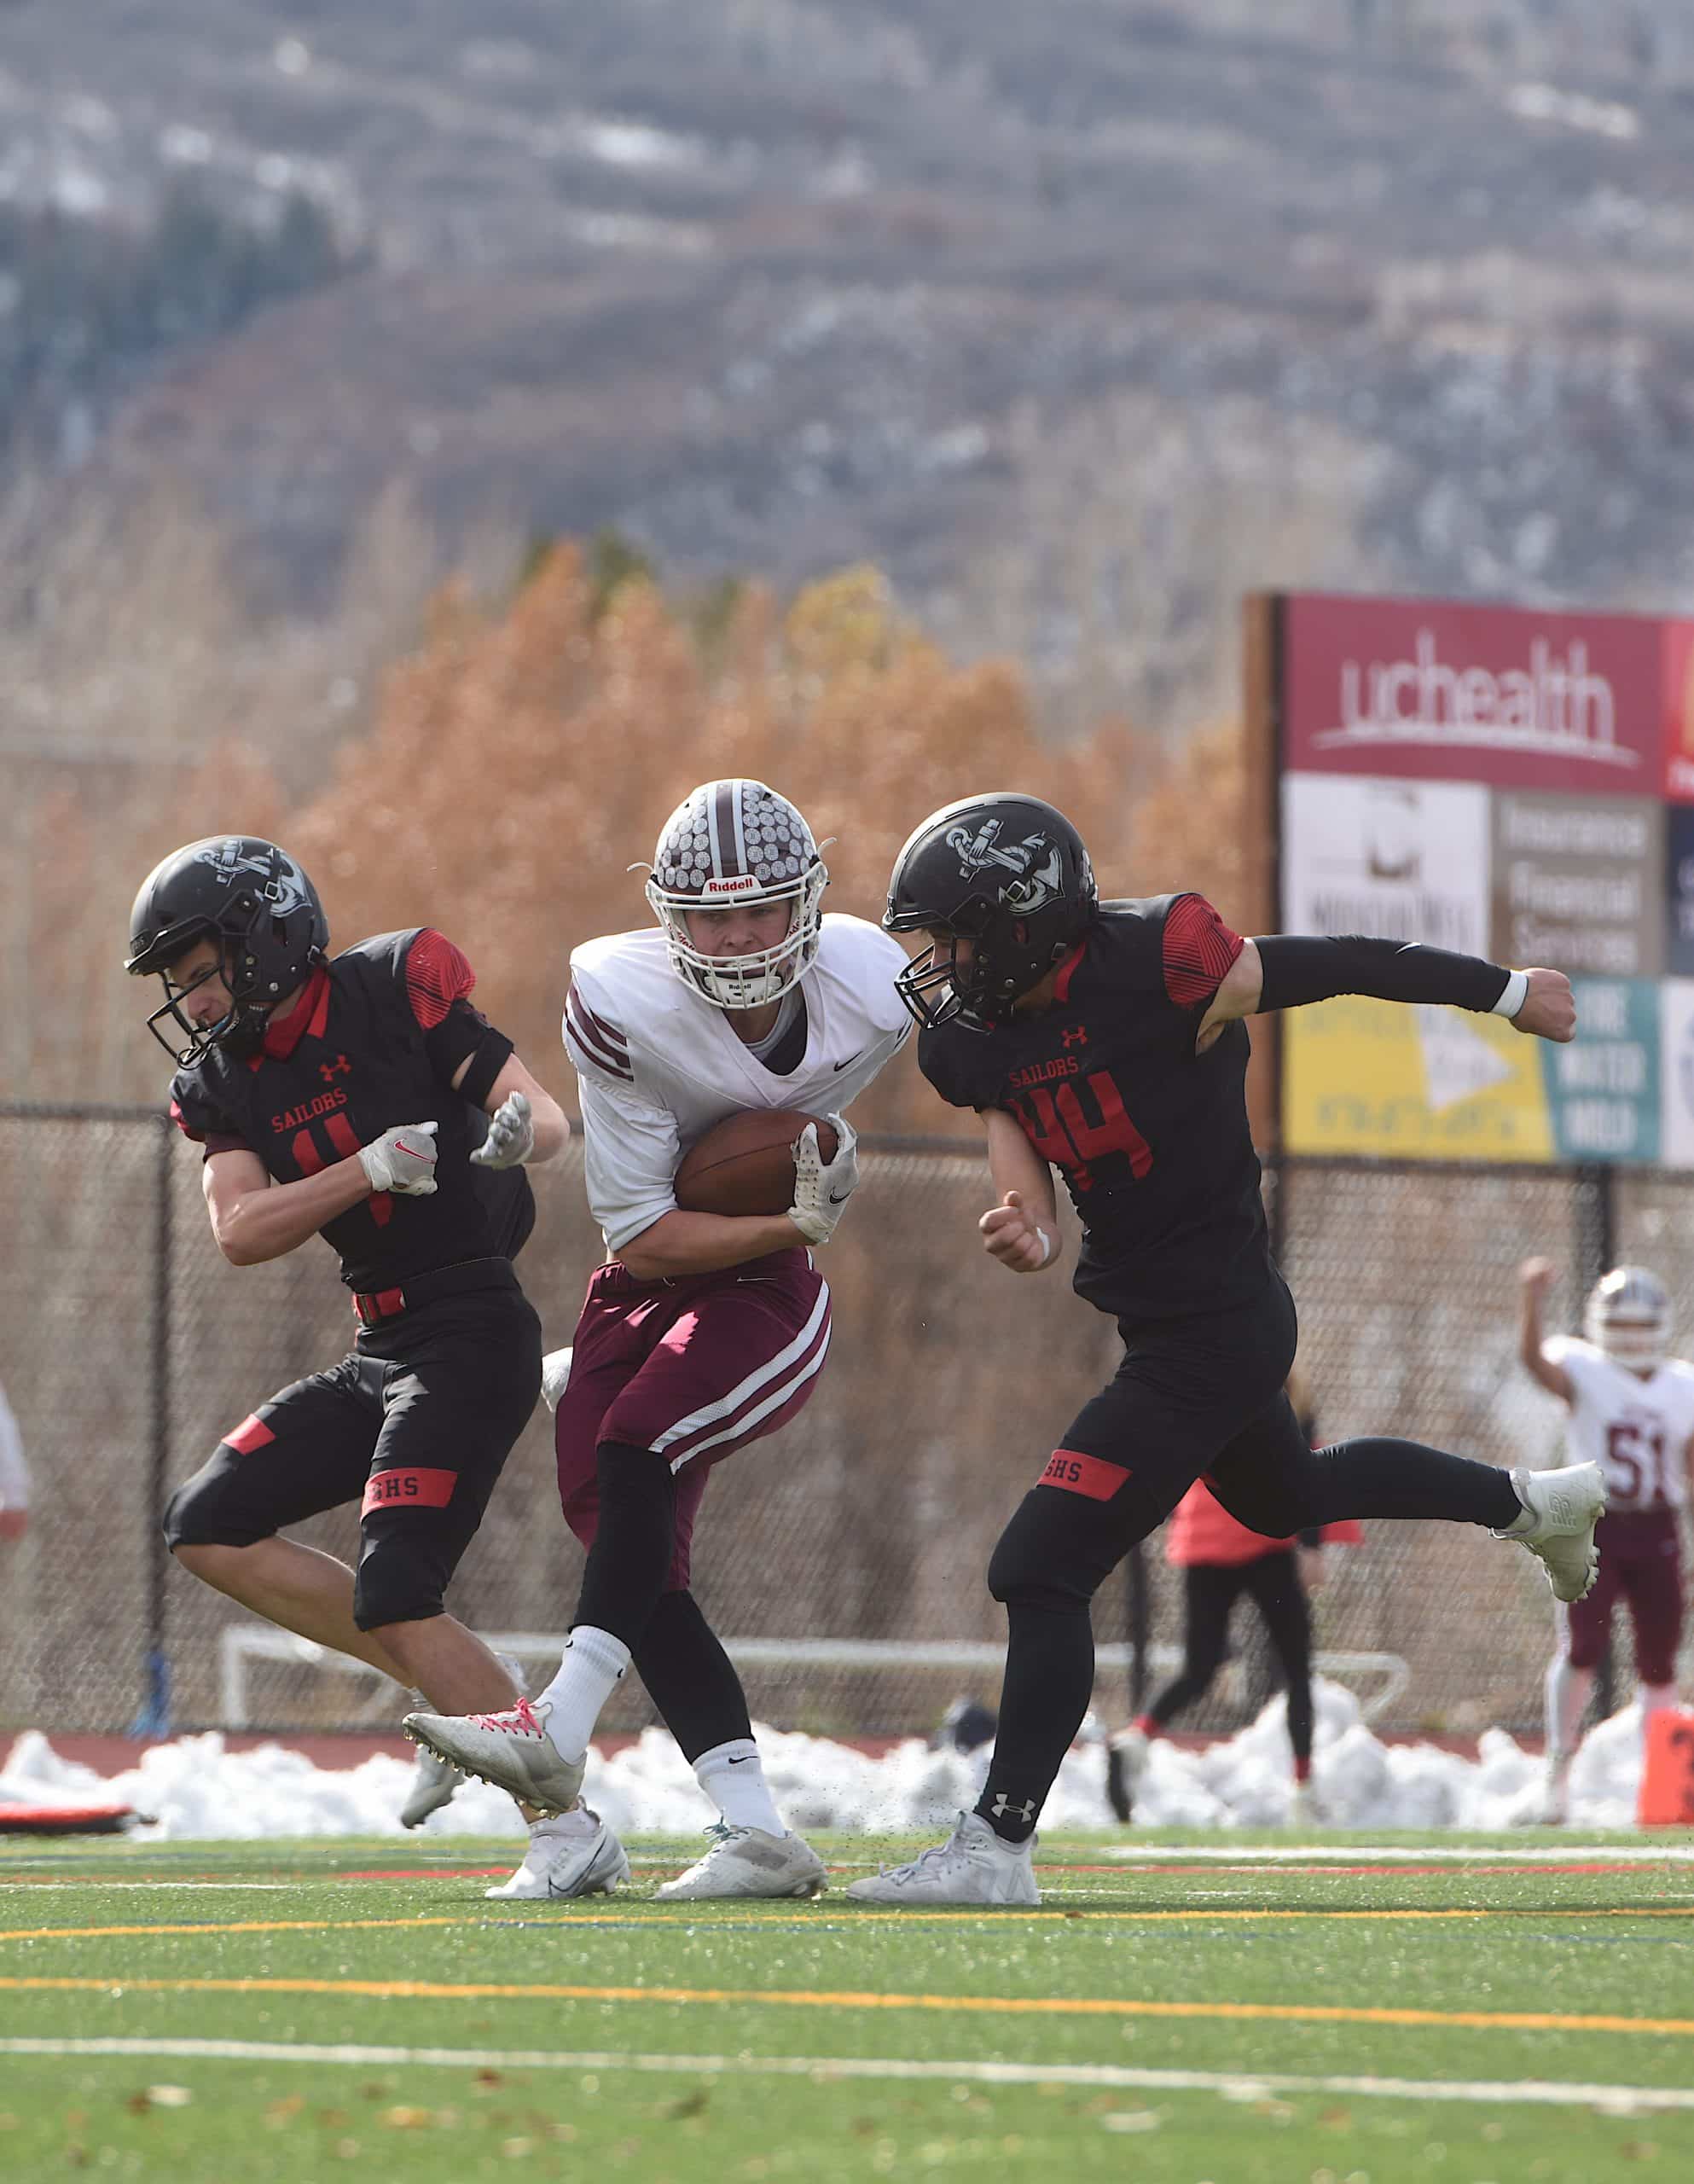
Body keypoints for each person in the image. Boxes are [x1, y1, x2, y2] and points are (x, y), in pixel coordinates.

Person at [847, 791, 1602, 1906]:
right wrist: (1029, 1226)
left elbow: (1344, 961)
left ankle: (994, 1848)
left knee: (1038, 1566)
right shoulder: (973, 1039)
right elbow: (1020, 1152)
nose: (941, 966)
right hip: (1171, 1326)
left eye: (955, 938)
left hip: (1218, 1328)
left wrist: (1502, 992)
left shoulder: (1166, 962)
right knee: (1287, 1495)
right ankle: (1533, 1504)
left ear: (1019, 922)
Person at [406, 779, 912, 1900]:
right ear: (665, 916)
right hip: (645, 1276)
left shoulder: (876, 986)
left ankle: (557, 1725)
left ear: (808, 904)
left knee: (639, 1444)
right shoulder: (622, 999)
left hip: (766, 1295)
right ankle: (758, 1834)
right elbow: (641, 1232)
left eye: (758, 910)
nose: (734, 939)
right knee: (632, 1553)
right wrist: (792, 1213)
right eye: (707, 916)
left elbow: (997, 1056)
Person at [125, 835, 568, 1844]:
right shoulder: (225, 1079)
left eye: (202, 970)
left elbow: (544, 1115)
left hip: (471, 1329)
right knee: (206, 1522)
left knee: (396, 1587)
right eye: (178, 981)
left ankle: (568, 1828)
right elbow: (240, 1231)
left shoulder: (390, 988)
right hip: (381, 1345)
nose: (193, 1000)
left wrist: (521, 1136)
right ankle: (456, 1680)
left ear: (268, 937)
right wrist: (365, 1167)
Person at [1108, 1367, 1358, 1825]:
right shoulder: (1286, 1394)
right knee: (1297, 1668)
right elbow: (1309, 1473)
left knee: (1199, 1667)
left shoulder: (1199, 1387)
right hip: (1264, 1540)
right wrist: (1311, 1546)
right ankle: (1303, 1788)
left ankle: (1137, 1737)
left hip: (1203, 1541)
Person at [1515, 1258, 1694, 1824]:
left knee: (1660, 1660)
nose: (1633, 1337)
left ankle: (1658, 1786)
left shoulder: (1683, 1384)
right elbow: (1535, 1365)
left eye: (1642, 1325)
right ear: (1600, 1324)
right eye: (1622, 1324)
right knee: (1583, 1647)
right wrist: (1531, 1302)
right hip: (1593, 1521)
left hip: (1659, 1524)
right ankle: (1557, 1772)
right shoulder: (1584, 1368)